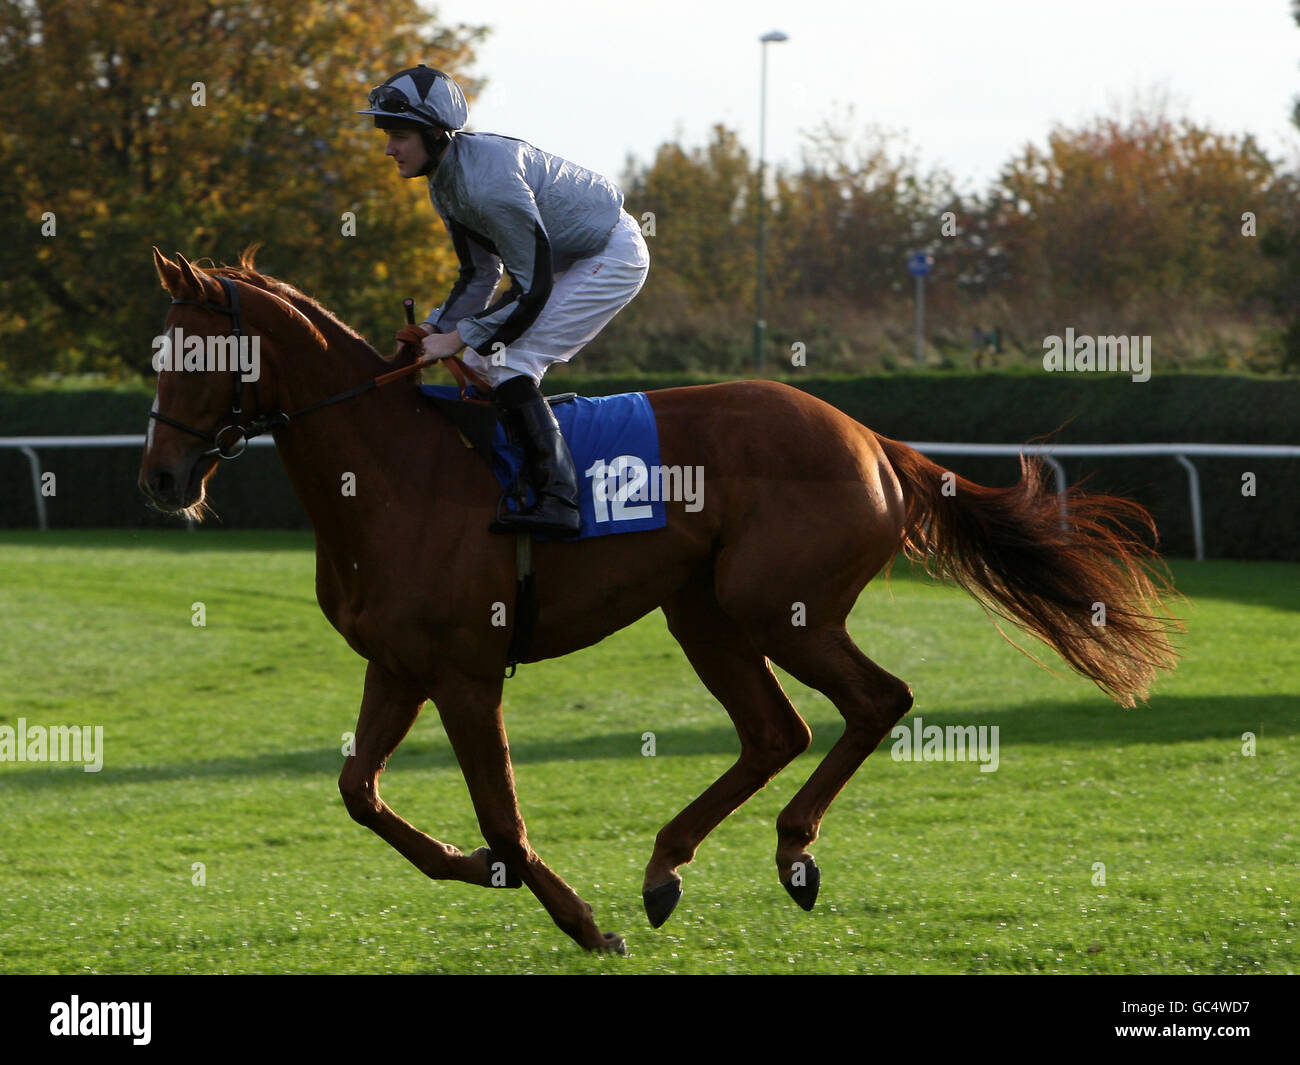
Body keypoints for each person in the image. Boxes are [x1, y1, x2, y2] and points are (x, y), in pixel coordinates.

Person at [359, 65, 650, 537]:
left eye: (398, 135)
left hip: (611, 253)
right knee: (479, 357)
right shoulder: (445, 181)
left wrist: (455, 337)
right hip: (567, 254)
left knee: (509, 360)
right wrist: (436, 327)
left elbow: (531, 290)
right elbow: (480, 273)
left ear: (435, 134)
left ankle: (559, 499)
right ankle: (512, 481)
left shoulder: (488, 186)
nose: (388, 148)